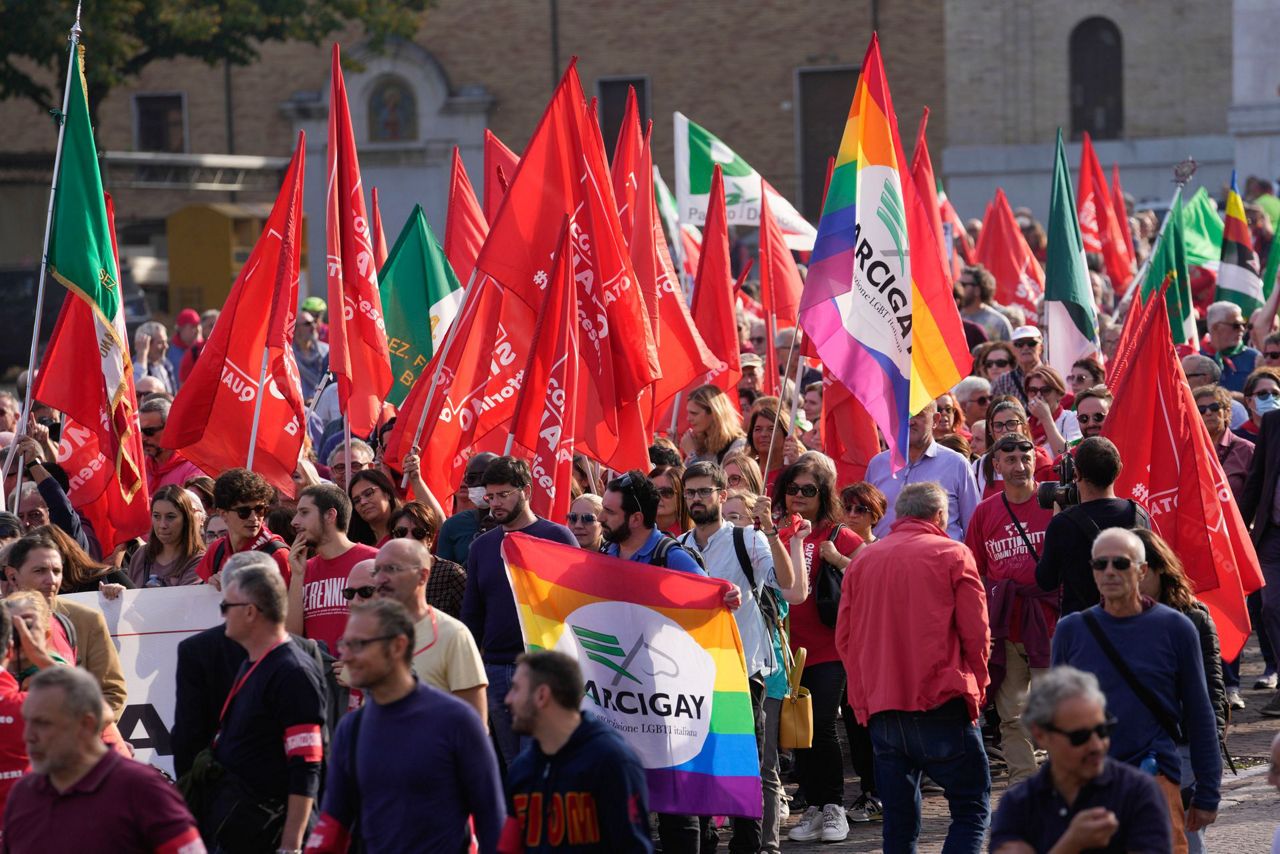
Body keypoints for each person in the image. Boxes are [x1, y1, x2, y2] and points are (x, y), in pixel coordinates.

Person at [837, 482, 992, 853]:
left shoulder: (863, 561)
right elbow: (977, 632)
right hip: (941, 702)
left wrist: (862, 699)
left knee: (899, 824)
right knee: (971, 809)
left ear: (899, 515)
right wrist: (979, 687)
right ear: (940, 516)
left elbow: (845, 640)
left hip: (884, 707)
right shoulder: (953, 553)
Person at [1051, 528, 1221, 853]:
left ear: (1142, 570)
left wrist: (1208, 791)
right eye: (1100, 564)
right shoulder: (1071, 630)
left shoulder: (1177, 627)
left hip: (1154, 779)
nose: (1110, 572)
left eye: (1120, 563)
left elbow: (1201, 713)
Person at [307, 599, 504, 854]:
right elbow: (333, 825)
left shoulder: (456, 721)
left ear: (398, 646)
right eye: (345, 644)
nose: (346, 656)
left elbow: (492, 820)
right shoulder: (351, 729)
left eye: (359, 645)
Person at [677, 461, 801, 853]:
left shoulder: (747, 540)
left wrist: (772, 534)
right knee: (701, 766)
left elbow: (789, 587)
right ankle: (708, 842)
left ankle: (751, 845)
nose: (696, 499)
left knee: (745, 767)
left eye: (703, 491)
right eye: (690, 492)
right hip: (694, 676)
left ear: (721, 494)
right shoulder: (679, 546)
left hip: (743, 671)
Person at [197, 561, 326, 853]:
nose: (222, 614)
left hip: (272, 835)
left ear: (250, 611)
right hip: (243, 828)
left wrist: (291, 845)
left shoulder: (292, 672)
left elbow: (306, 764)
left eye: (226, 606)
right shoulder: (254, 661)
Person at [3, 667, 204, 853]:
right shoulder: (23, 795)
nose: (28, 735)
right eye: (27, 722)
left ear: (86, 724)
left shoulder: (141, 788)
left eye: (43, 723)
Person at [461, 457, 577, 769]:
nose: (495, 504)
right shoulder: (482, 547)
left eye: (503, 495)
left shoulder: (558, 538)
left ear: (526, 491)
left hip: (544, 668)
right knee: (514, 767)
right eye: (490, 497)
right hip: (497, 670)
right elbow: (472, 616)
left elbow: (574, 607)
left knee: (542, 761)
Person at [988, 666, 1172, 854]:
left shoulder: (1138, 791)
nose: (1096, 745)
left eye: (1103, 730)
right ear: (1041, 735)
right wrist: (1071, 844)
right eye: (1080, 736)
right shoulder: (1019, 803)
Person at [776, 455, 864, 844]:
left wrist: (840, 559)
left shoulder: (838, 533)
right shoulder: (777, 532)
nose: (798, 496)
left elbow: (872, 573)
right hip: (785, 650)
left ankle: (834, 807)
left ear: (823, 493)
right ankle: (812, 806)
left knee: (824, 726)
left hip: (830, 649)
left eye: (808, 490)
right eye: (792, 488)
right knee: (798, 731)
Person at [964, 434, 1058, 786]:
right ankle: (1024, 784)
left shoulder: (1054, 501)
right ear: (997, 466)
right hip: (1006, 626)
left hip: (1050, 625)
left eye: (1026, 458)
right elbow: (975, 570)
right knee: (1012, 716)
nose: (1020, 466)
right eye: (1011, 460)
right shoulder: (985, 512)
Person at [1132, 528, 1226, 853]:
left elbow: (1213, 696)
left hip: (1181, 751)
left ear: (1159, 568)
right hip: (1129, 755)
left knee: (1184, 844)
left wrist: (1207, 775)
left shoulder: (1194, 619)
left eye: (1139, 570)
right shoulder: (1107, 624)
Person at [503, 651, 651, 852]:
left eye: (516, 689)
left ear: (542, 696)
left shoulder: (613, 762)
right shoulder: (522, 769)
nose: (508, 699)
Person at [4, 533, 127, 717]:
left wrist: (77, 733)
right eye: (39, 571)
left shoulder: (88, 621)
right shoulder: (2, 617)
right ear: (12, 576)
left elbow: (112, 692)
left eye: (56, 571)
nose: (51, 580)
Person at [372, 538, 487, 722]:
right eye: (377, 571)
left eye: (391, 569)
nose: (380, 579)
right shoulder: (370, 634)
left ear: (423, 576)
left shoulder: (454, 634)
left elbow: (476, 722)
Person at [1035, 437, 1152, 615]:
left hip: (1083, 629)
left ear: (1077, 474)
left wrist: (1056, 520)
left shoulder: (1062, 524)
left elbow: (1045, 581)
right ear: (1119, 469)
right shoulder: (1138, 514)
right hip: (1131, 623)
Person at [865, 399, 980, 539]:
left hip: (940, 558)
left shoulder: (956, 464)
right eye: (902, 415)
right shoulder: (877, 464)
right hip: (886, 558)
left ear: (936, 420)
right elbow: (865, 521)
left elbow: (974, 528)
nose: (910, 421)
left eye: (918, 414)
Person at [287, 483, 378, 656]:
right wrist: (297, 576)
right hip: (319, 679)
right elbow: (292, 638)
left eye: (304, 512)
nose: (294, 521)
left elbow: (397, 624)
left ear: (330, 515)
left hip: (365, 677)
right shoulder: (302, 569)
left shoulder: (375, 560)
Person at [196, 468, 292, 586]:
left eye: (259, 509)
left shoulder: (278, 555)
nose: (254, 518)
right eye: (243, 512)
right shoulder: (217, 549)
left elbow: (287, 603)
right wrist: (210, 585)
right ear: (223, 514)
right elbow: (199, 600)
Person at [9, 437, 101, 559]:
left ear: (50, 513)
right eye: (20, 516)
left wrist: (32, 463)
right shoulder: (12, 556)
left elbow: (61, 507)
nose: (26, 523)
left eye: (35, 515)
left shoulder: (67, 540)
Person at [599, 471, 704, 574]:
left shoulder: (671, 557)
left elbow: (707, 589)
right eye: (603, 508)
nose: (600, 518)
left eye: (610, 512)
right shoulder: (606, 550)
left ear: (636, 519)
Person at [387, 500, 467, 618]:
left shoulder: (451, 574)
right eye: (401, 532)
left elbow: (472, 620)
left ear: (430, 539)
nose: (409, 538)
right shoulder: (384, 574)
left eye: (418, 533)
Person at [127, 484, 206, 587]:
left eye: (170, 517)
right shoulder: (141, 555)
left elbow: (184, 601)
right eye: (156, 516)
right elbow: (129, 599)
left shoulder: (199, 560)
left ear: (186, 520)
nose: (162, 525)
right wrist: (117, 593)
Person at [436, 451, 498, 565]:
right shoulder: (452, 525)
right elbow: (444, 577)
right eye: (471, 478)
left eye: (485, 477)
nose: (478, 483)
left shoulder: (519, 524)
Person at [139, 396, 205, 493]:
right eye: (140, 431)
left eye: (149, 431)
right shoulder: (139, 466)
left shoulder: (193, 468)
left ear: (170, 428)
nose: (143, 437)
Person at [682, 384, 747, 466]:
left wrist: (692, 455)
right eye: (688, 412)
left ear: (714, 413)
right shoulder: (699, 444)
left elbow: (714, 478)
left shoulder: (738, 445)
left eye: (694, 413)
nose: (688, 418)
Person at [1203, 300, 1260, 392]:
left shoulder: (1255, 358)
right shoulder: (1198, 359)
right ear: (1216, 327)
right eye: (1236, 325)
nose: (1242, 329)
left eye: (1243, 324)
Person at [1024, 366, 1081, 455]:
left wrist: (1046, 418)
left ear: (1059, 394)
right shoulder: (1024, 424)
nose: (1038, 395)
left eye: (1045, 390)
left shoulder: (1072, 418)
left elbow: (1067, 458)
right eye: (1033, 390)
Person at [992, 326, 1044, 407]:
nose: (1026, 347)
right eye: (1019, 344)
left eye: (1031, 343)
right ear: (1012, 350)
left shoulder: (1051, 377)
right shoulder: (1002, 381)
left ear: (1041, 348)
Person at [958, 264, 1013, 341]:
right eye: (958, 284)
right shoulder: (953, 317)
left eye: (963, 285)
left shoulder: (998, 323)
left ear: (978, 290)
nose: (959, 288)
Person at [346, 469, 400, 547]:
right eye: (356, 500)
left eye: (368, 493)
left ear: (387, 493)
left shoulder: (407, 531)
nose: (363, 502)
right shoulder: (355, 546)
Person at [293, 308, 329, 404]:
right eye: (307, 324)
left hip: (321, 405)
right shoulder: (289, 355)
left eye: (314, 322)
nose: (313, 326)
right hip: (296, 406)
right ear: (296, 328)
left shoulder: (326, 352)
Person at [1236, 366, 1280, 441]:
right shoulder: (1237, 439)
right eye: (1262, 393)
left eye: (1275, 393)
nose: (1270, 398)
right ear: (1249, 401)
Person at [132, 320, 176, 394]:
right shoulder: (133, 367)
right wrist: (142, 354)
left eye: (166, 342)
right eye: (160, 342)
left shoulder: (166, 365)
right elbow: (136, 390)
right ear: (146, 343)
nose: (166, 346)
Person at [648, 464, 692, 536]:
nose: (657, 496)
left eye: (666, 492)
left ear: (681, 496)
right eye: (652, 490)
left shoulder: (694, 537)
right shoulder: (633, 531)